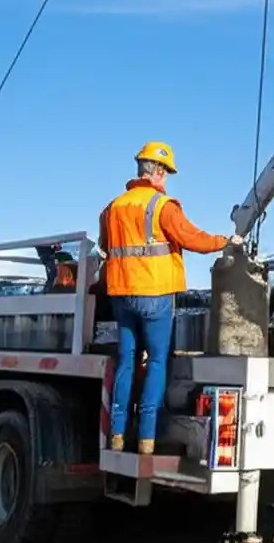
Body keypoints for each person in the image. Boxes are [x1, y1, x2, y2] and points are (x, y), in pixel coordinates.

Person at [99, 141, 242, 455]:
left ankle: (117, 436)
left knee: (126, 362)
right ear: (159, 172)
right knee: (158, 362)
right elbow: (192, 238)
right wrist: (225, 241)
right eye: (166, 173)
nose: (166, 179)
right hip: (155, 296)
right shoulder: (163, 206)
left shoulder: (113, 208)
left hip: (121, 294)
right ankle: (148, 438)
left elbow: (104, 245)